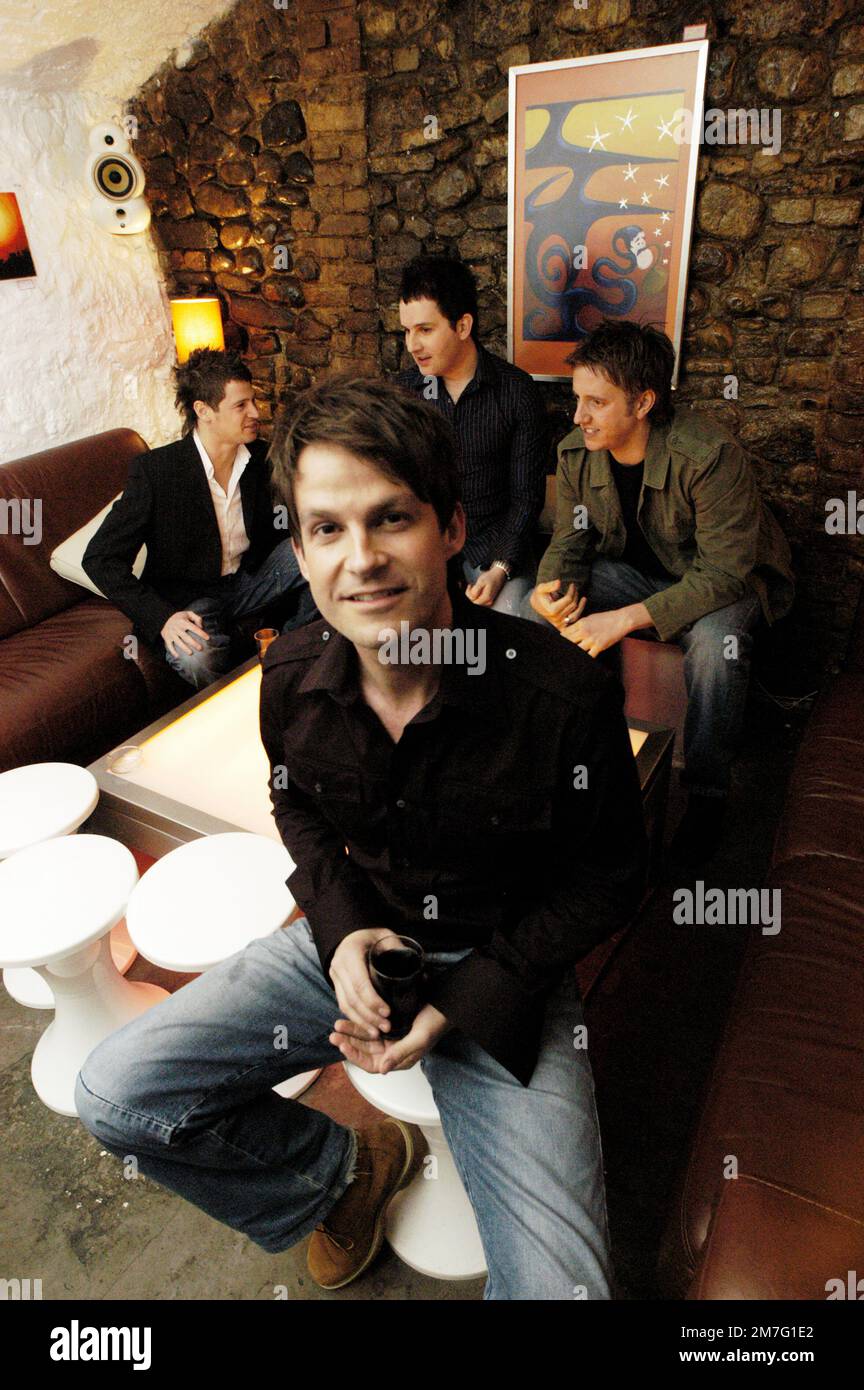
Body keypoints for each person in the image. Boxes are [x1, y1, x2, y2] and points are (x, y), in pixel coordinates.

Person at [75, 377, 648, 1301]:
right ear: (298, 552)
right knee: (117, 1093)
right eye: (329, 530)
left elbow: (613, 875)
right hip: (344, 947)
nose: (363, 560)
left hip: (505, 967)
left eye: (392, 520)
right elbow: (295, 805)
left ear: (453, 528)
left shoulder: (560, 695)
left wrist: (469, 997)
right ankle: (341, 1173)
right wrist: (340, 930)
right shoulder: (291, 675)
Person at [530, 320, 795, 863]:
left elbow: (725, 572)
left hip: (727, 581)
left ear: (644, 401)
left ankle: (706, 797)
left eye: (596, 403)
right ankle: (595, 751)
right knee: (540, 612)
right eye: (577, 399)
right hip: (641, 576)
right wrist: (547, 587)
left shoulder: (709, 455)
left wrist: (625, 618)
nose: (579, 416)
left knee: (718, 648)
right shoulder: (577, 450)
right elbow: (571, 539)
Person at [83, 348, 315, 689]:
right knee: (196, 658)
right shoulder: (157, 472)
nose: (255, 412)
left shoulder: (263, 457)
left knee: (323, 554)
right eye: (241, 405)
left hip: (253, 578)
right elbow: (100, 558)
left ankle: (285, 662)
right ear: (203, 411)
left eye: (253, 401)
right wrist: (161, 618)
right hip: (191, 599)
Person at [395, 255, 546, 618]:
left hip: (492, 549)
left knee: (508, 617)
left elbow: (526, 498)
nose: (412, 345)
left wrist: (500, 569)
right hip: (425, 545)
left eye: (425, 330)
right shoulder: (403, 393)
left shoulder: (516, 392)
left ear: (462, 326)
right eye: (406, 330)